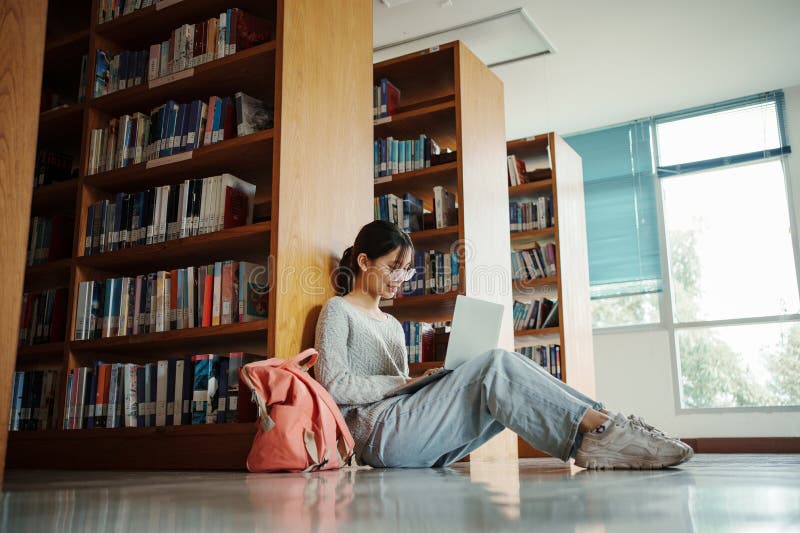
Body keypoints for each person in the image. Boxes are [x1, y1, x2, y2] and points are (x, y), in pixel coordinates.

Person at [314, 220, 694, 470]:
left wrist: (426, 382)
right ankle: (605, 430)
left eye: (406, 270)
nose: (401, 278)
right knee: (495, 366)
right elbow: (332, 386)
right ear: (364, 261)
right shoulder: (337, 311)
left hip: (406, 426)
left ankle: (599, 430)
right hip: (377, 436)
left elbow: (398, 391)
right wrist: (403, 384)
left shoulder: (395, 326)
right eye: (394, 267)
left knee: (502, 377)